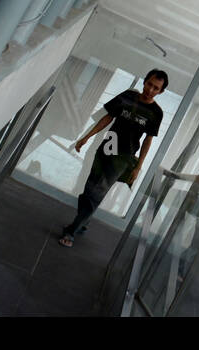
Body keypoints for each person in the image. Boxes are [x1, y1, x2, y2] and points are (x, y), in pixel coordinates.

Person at [59, 69, 167, 246]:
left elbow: (148, 139)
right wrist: (86, 136)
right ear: (144, 81)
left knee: (98, 191)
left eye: (156, 88)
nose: (151, 90)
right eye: (149, 84)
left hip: (123, 158)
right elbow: (108, 117)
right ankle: (83, 222)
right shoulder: (127, 96)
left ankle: (71, 231)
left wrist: (139, 165)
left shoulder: (156, 112)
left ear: (161, 92)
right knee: (89, 189)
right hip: (106, 148)